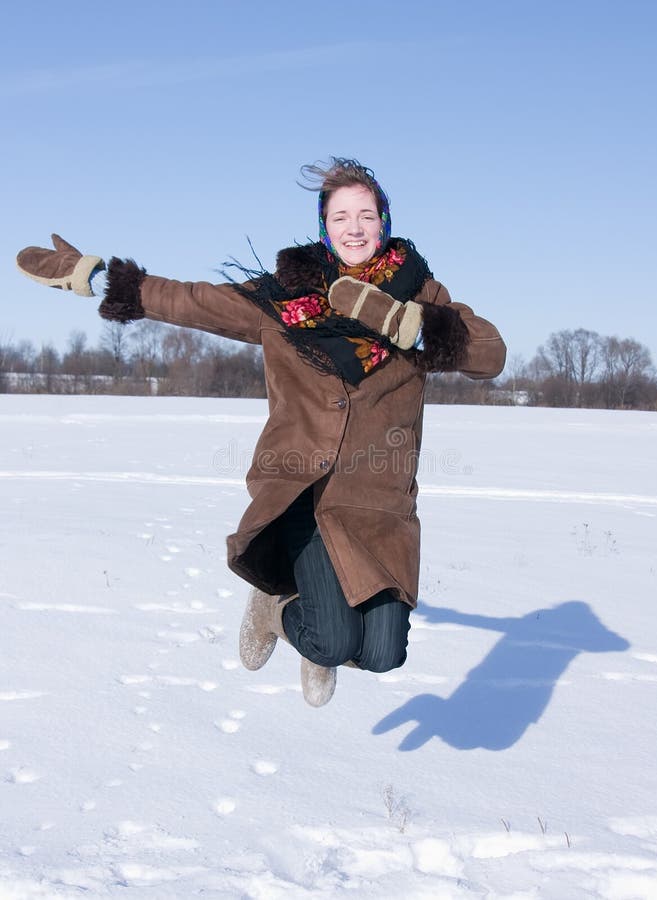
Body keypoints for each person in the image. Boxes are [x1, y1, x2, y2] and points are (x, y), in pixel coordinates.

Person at [16, 157, 506, 707]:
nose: (354, 227)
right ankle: (275, 609)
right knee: (332, 639)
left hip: (379, 500)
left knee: (384, 653)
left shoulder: (423, 294)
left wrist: (409, 325)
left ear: (384, 221)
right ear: (325, 226)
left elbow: (490, 354)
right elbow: (194, 301)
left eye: (366, 214)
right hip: (305, 490)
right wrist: (104, 278)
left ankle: (296, 620)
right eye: (341, 216)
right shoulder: (284, 299)